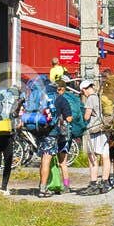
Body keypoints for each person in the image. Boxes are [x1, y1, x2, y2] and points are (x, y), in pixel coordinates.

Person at [38, 66, 77, 197]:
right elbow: (69, 118)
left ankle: (42, 185)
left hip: (42, 131)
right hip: (57, 133)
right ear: (59, 89)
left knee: (44, 159)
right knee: (59, 161)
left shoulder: (42, 98)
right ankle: (55, 187)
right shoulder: (61, 99)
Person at [79, 78, 113, 194]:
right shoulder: (100, 97)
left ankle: (93, 183)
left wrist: (83, 116)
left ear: (84, 89)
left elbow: (87, 117)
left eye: (83, 91)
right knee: (105, 157)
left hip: (94, 130)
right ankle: (104, 183)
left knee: (92, 158)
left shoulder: (90, 99)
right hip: (103, 129)